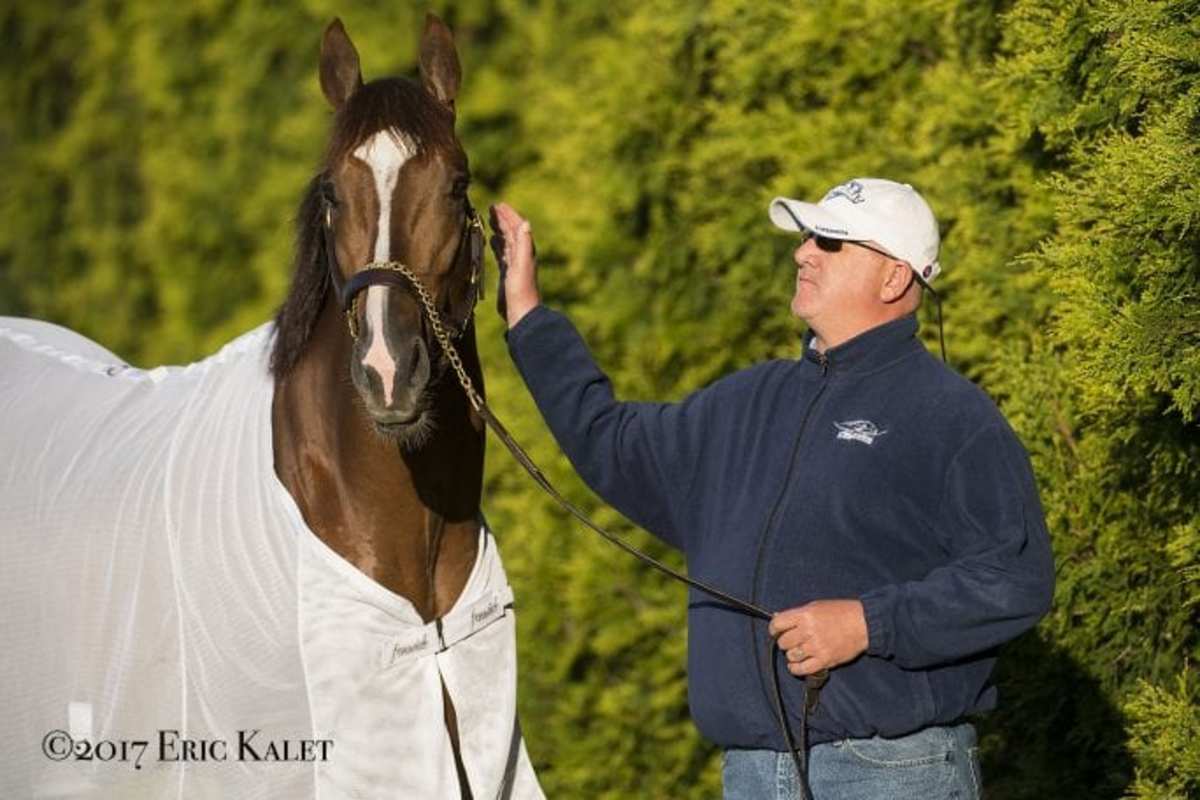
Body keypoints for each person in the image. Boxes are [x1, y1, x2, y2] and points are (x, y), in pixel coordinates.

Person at [490, 177, 1054, 800]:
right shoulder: (748, 399)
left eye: (831, 242)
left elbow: (1014, 580)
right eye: (808, 236)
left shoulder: (953, 416)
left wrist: (868, 624)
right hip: (754, 775)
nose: (803, 252)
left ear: (894, 278)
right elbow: (611, 441)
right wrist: (529, 316)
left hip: (897, 774)